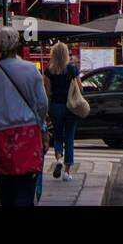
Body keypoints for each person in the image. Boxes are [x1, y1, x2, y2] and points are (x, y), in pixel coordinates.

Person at [0, 26, 49, 206]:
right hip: (27, 135)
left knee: (5, 187)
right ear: (17, 44)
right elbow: (42, 103)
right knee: (25, 186)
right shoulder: (31, 70)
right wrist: (40, 125)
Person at [43, 41, 80, 181]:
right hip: (70, 107)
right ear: (66, 54)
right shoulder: (72, 69)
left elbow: (47, 92)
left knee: (58, 135)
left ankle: (58, 158)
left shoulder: (48, 71)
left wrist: (46, 110)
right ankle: (67, 172)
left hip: (55, 107)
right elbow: (80, 89)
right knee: (69, 138)